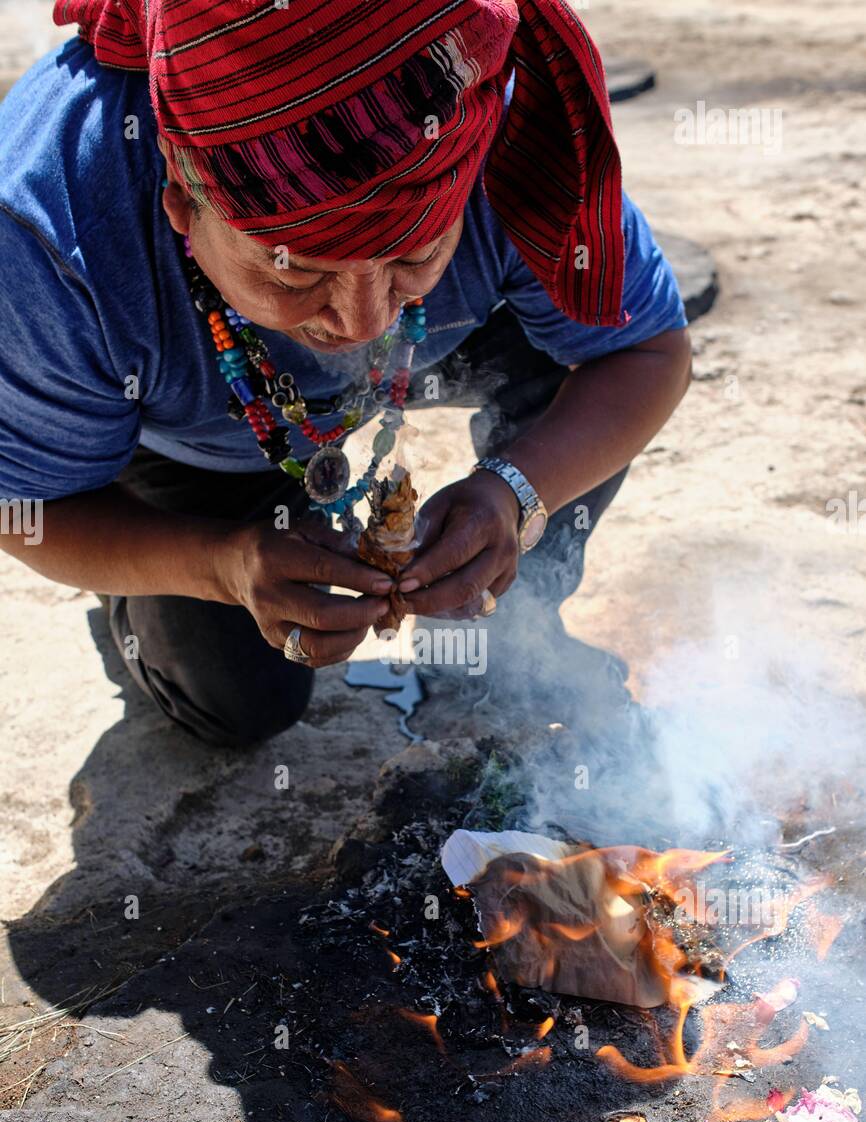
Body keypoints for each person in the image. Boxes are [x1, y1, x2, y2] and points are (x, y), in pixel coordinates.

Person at [0, 0, 691, 746]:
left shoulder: (495, 133)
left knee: (564, 387)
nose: (363, 324)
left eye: (414, 256)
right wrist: (220, 565)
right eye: (297, 275)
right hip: (193, 426)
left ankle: (507, 628)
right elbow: (25, 507)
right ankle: (139, 591)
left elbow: (648, 352)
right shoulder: (52, 227)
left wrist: (516, 494)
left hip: (452, 343)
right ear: (180, 203)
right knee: (238, 700)